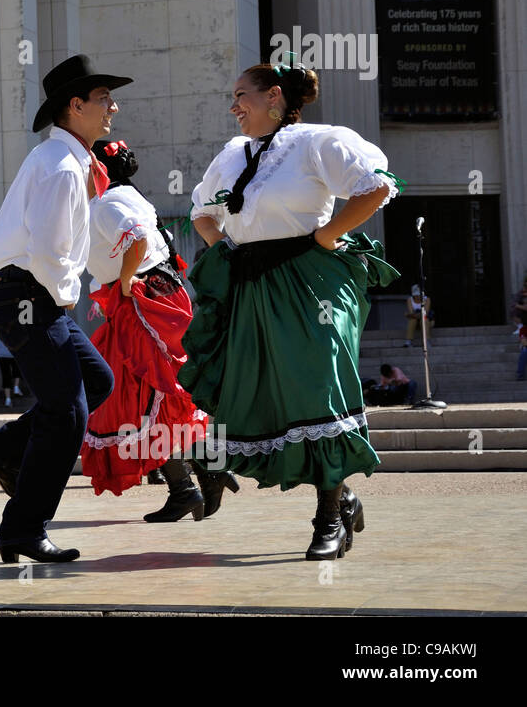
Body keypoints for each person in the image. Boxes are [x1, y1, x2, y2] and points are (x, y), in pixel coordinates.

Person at [184, 58, 399, 561]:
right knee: (254, 389)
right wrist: (227, 251)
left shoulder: (317, 140)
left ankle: (328, 517)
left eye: (243, 95)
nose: (234, 105)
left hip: (309, 279)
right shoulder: (233, 154)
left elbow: (378, 185)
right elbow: (202, 212)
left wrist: (327, 235)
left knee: (316, 390)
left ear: (275, 96)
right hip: (252, 282)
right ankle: (340, 499)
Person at [0, 55, 123, 563]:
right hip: (29, 294)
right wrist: (65, 298)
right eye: (104, 99)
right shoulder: (61, 167)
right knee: (67, 410)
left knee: (96, 381)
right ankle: (23, 527)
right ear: (75, 106)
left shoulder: (66, 160)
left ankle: (5, 450)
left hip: (29, 294)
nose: (113, 107)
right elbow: (48, 251)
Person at [79, 139, 238, 520]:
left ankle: (197, 476)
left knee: (140, 394)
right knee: (153, 394)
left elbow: (138, 239)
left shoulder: (106, 203)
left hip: (143, 301)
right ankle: (192, 480)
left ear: (98, 169)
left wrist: (123, 282)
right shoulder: (127, 196)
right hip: (156, 298)